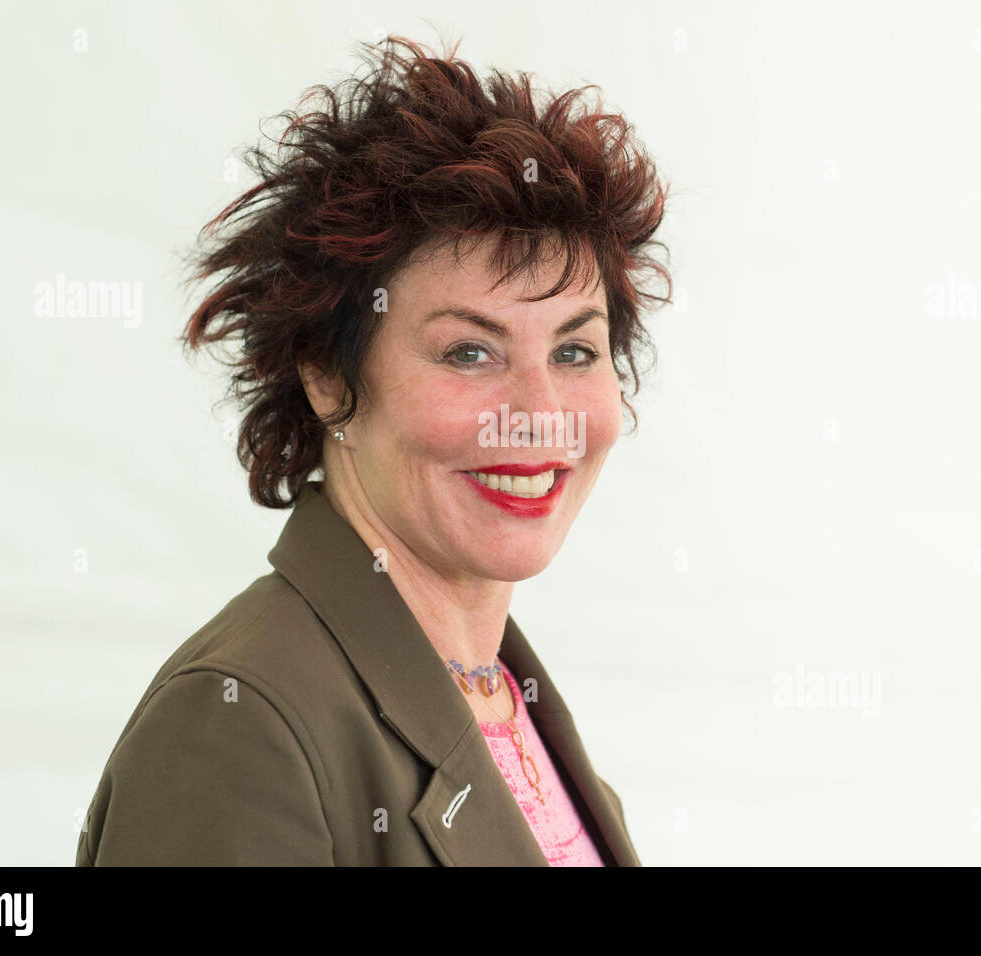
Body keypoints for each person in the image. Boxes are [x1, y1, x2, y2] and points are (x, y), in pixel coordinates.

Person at [75, 33, 671, 866]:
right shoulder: (242, 723)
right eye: (470, 351)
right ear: (327, 375)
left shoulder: (505, 695)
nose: (540, 417)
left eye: (575, 351)